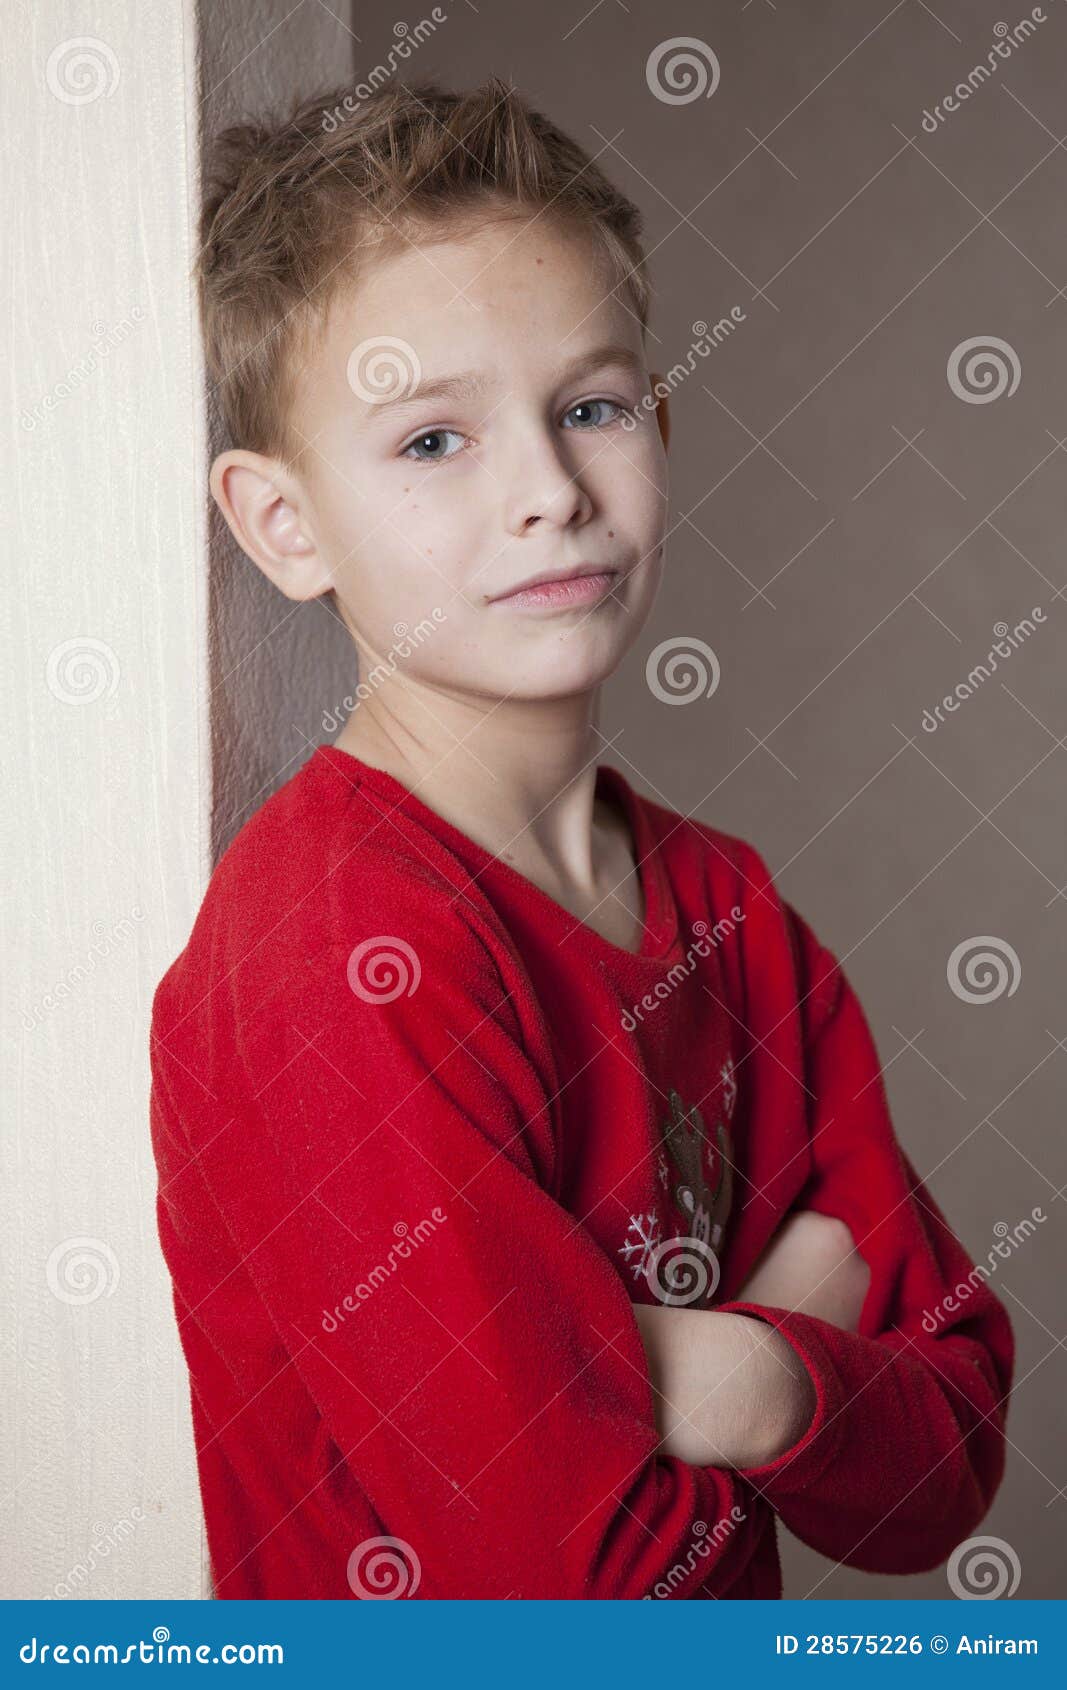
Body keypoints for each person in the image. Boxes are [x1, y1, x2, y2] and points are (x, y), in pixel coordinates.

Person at [149, 76, 1013, 1600]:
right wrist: (798, 1322)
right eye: (434, 442)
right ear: (284, 525)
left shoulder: (727, 907)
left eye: (593, 408)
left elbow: (942, 1460)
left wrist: (740, 1382)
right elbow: (573, 1591)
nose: (549, 492)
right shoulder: (333, 948)